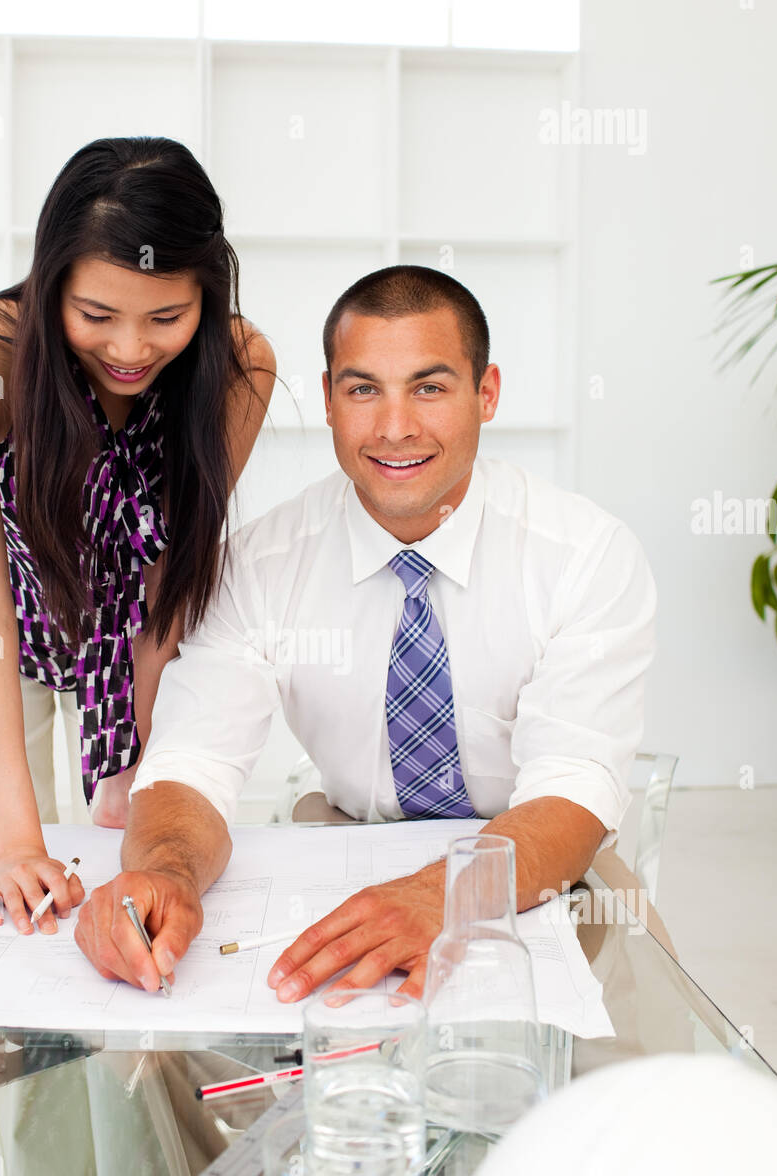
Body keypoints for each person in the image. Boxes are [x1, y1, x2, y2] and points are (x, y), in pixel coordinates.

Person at [72, 264, 657, 1005]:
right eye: (362, 389)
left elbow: (573, 789)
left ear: (487, 393)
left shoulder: (585, 555)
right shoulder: (259, 563)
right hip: (352, 837)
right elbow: (194, 760)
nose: (394, 427)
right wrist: (165, 870)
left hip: (554, 870)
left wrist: (446, 894)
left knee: (621, 1088)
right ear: (327, 401)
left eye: (430, 387)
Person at [0, 136, 276, 1176]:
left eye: (164, 317)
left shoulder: (240, 365)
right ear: (52, 276)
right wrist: (20, 840)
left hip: (136, 634)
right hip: (0, 643)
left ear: (208, 291)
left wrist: (138, 760)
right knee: (25, 947)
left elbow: (170, 572)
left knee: (134, 942)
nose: (130, 350)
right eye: (97, 314)